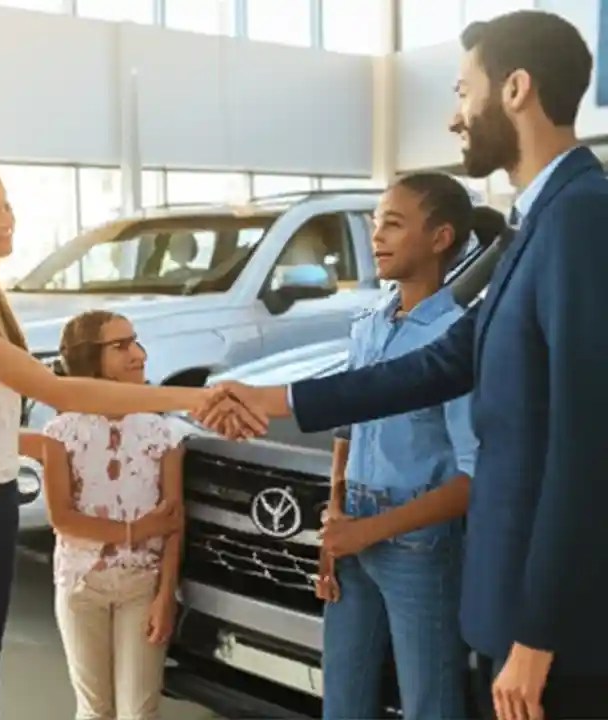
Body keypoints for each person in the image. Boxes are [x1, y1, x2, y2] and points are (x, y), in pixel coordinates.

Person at [200, 11, 608, 720]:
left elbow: (586, 447)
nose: (455, 117)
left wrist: (538, 635)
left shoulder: (581, 217)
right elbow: (442, 361)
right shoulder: (540, 218)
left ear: (515, 89)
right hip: (508, 607)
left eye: (463, 92)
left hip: (547, 631)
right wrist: (276, 399)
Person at [0, 159, 262, 720]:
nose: (7, 220)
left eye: (7, 206)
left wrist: (36, 444)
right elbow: (57, 391)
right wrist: (193, 398)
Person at [316, 173, 483, 720]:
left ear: (440, 238)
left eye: (393, 223)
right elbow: (348, 423)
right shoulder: (368, 325)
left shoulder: (458, 338)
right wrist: (337, 514)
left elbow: (473, 479)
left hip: (420, 545)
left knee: (429, 705)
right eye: (375, 223)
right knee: (342, 700)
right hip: (351, 527)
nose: (376, 237)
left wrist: (369, 530)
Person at [30, 310, 185, 720]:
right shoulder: (61, 432)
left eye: (136, 342)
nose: (139, 354)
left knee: (140, 710)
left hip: (142, 586)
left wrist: (166, 596)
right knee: (95, 710)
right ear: (89, 358)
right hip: (81, 586)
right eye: (121, 346)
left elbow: (173, 521)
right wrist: (137, 529)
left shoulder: (163, 432)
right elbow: (63, 519)